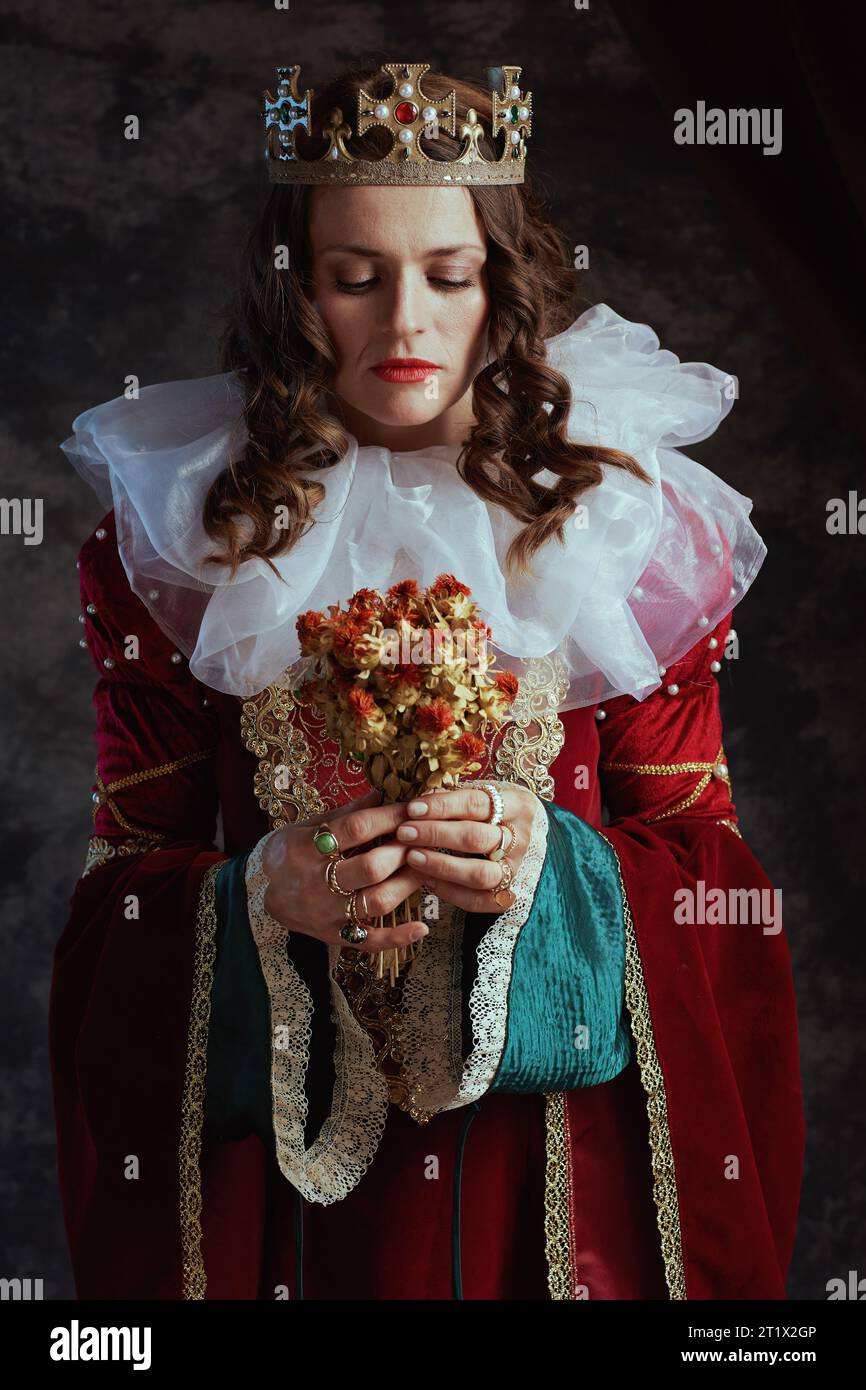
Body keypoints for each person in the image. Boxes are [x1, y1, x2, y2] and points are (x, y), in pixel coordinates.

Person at [50, 60, 804, 1301]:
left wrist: (551, 871)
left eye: (447, 277)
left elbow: (702, 864)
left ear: (500, 288)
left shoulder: (623, 529)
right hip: (291, 1214)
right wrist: (255, 899)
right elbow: (116, 898)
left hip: (555, 1191)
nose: (404, 324)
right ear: (295, 291)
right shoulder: (181, 544)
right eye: (356, 277)